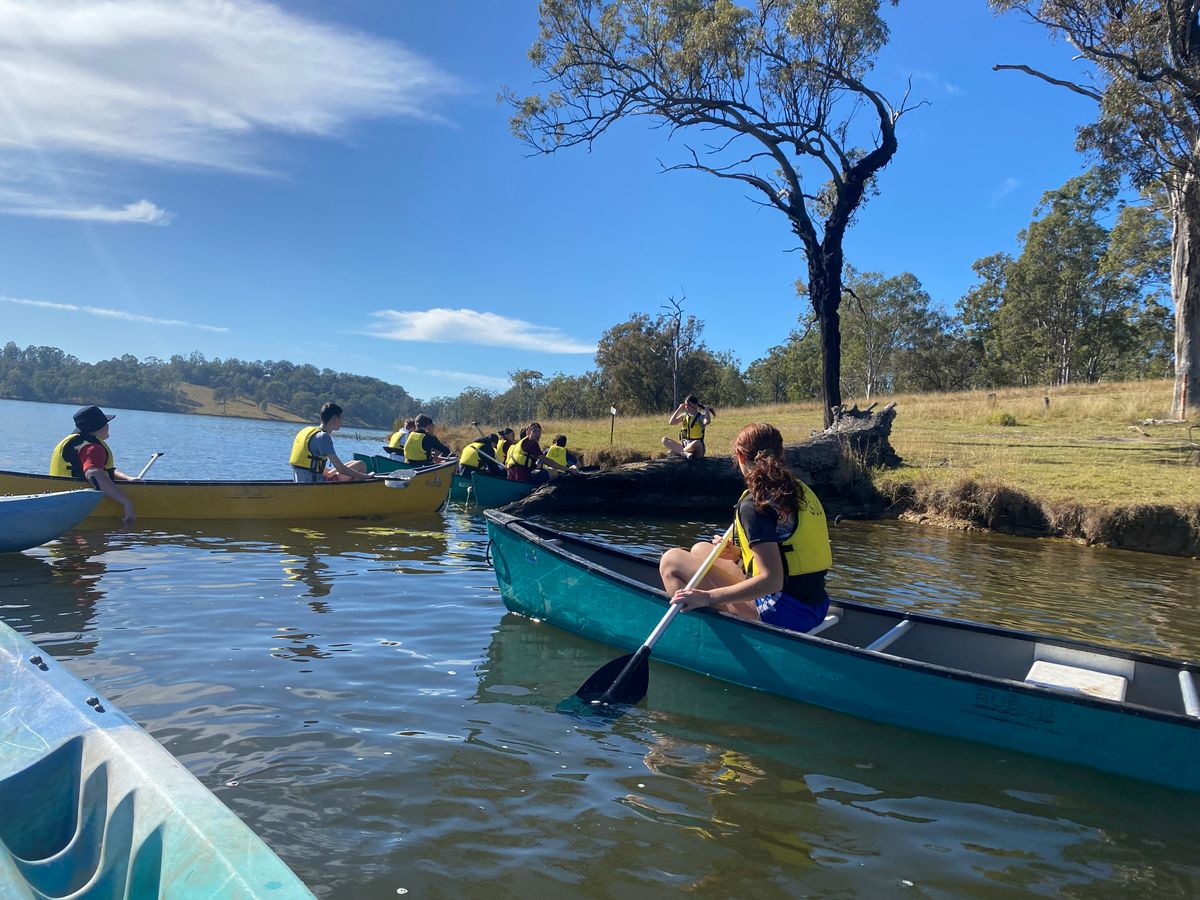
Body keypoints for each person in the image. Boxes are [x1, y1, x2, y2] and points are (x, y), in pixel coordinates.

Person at [658, 423, 832, 633]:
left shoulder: (755, 505)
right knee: (701, 550)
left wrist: (708, 597)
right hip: (815, 606)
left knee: (671, 561)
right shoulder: (797, 490)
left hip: (783, 613)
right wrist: (739, 555)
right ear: (781, 453)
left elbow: (773, 581)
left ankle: (700, 637)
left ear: (740, 457)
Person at [49, 405, 138, 522]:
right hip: (75, 507)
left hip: (56, 499)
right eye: (106, 423)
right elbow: (94, 472)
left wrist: (128, 479)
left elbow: (100, 468)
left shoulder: (76, 442)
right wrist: (126, 502)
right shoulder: (92, 448)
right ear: (101, 427)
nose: (108, 426)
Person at [290, 402, 371, 483]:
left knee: (354, 463)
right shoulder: (323, 437)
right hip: (315, 482)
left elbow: (312, 465)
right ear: (335, 419)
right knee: (361, 465)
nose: (342, 422)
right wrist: (367, 476)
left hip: (303, 479)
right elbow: (341, 469)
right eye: (341, 419)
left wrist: (331, 472)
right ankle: (351, 495)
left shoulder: (307, 431)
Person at [662, 395, 714, 460]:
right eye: (686, 405)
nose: (687, 407)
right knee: (664, 440)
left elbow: (707, 421)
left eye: (689, 405)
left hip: (697, 449)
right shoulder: (684, 416)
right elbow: (671, 422)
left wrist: (707, 411)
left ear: (695, 405)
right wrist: (679, 409)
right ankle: (685, 453)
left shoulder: (700, 417)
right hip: (685, 446)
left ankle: (679, 452)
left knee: (696, 443)